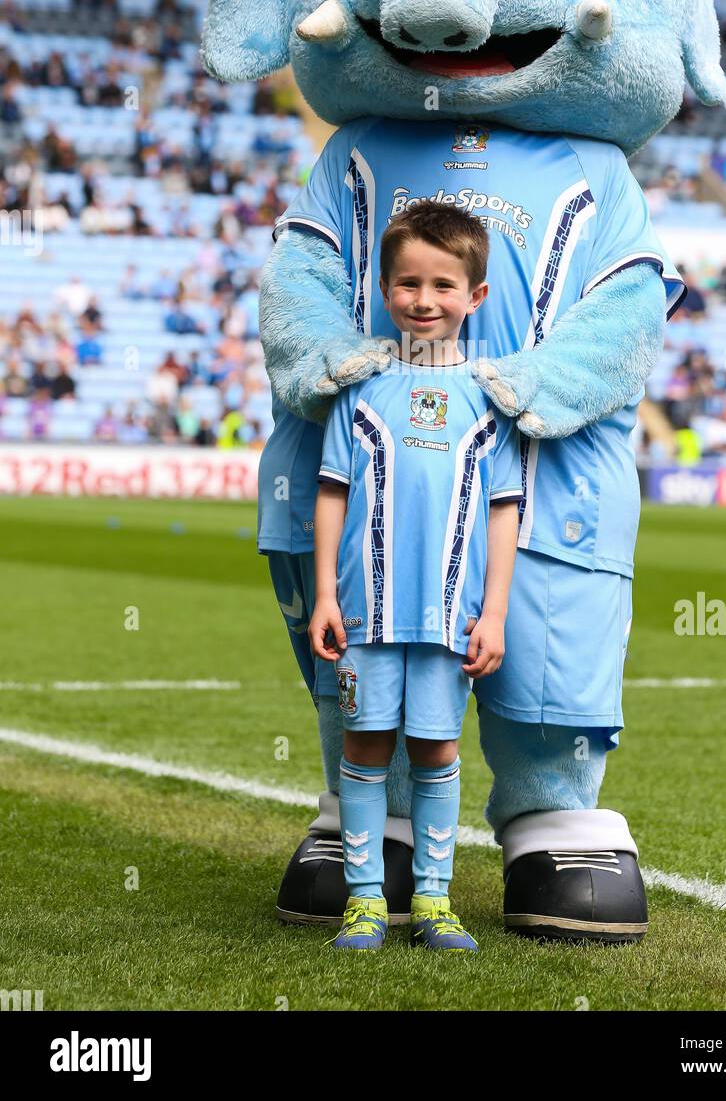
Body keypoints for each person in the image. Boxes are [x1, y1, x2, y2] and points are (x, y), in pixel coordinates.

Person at [307, 204, 522, 951]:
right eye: (406, 283)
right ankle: (365, 901)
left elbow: (503, 512)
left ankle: (434, 901)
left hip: (447, 618)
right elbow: (331, 491)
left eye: (442, 284)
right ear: (383, 287)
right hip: (366, 614)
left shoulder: (490, 397)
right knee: (364, 744)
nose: (423, 299)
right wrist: (328, 595)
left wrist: (493, 613)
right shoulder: (359, 388)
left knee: (436, 749)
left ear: (476, 296)